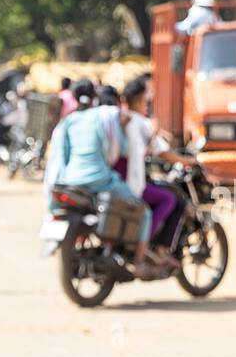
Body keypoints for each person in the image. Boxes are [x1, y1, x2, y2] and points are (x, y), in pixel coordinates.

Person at [44, 79, 162, 277]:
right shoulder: (103, 117)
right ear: (95, 97)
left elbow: (63, 156)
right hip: (100, 180)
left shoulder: (69, 121)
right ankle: (139, 262)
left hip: (71, 181)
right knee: (144, 212)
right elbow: (122, 149)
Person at [120, 76, 183, 263]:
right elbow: (163, 152)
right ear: (141, 100)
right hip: (132, 183)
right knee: (169, 199)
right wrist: (189, 161)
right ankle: (145, 245)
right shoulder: (141, 122)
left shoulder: (120, 118)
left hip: (115, 180)